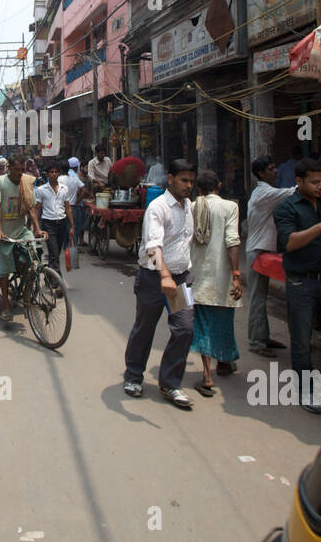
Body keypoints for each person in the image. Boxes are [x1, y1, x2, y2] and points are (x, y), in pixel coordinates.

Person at [273, 158, 321, 414]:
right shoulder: (286, 208)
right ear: (299, 181)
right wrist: (320, 228)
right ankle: (306, 391)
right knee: (302, 339)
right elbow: (289, 243)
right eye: (315, 182)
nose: (320, 186)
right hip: (301, 281)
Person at [122, 158, 198, 410]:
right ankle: (133, 376)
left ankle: (170, 383)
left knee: (185, 328)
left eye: (191, 181)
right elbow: (154, 246)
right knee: (145, 328)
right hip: (154, 279)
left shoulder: (189, 206)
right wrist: (164, 275)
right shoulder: (158, 207)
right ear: (170, 179)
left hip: (180, 278)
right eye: (184, 180)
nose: (188, 185)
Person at [189, 171, 244, 397]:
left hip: (198, 272)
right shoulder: (230, 207)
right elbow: (233, 241)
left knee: (202, 323)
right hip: (222, 275)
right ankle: (220, 364)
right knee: (223, 319)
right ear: (218, 186)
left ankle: (209, 373)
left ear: (198, 189)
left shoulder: (192, 207)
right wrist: (236, 274)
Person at [244, 156, 296, 359]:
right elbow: (293, 192)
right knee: (257, 297)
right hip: (257, 250)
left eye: (275, 167)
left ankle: (262, 336)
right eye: (271, 168)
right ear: (261, 174)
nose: (276, 171)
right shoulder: (265, 193)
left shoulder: (264, 192)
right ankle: (256, 341)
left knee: (261, 296)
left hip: (262, 249)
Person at [0, 154, 42, 324]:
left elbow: (31, 208)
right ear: (9, 168)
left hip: (21, 230)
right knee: (3, 272)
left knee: (34, 255)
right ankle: (6, 307)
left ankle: (27, 291)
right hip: (3, 233)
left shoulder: (26, 182)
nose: (20, 173)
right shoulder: (0, 182)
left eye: (22, 170)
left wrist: (37, 228)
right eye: (17, 169)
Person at [33, 160, 75, 273]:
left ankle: (50, 276)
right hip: (48, 224)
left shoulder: (64, 189)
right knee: (54, 253)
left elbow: (68, 208)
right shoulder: (41, 190)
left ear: (59, 173)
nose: (54, 174)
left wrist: (72, 226)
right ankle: (57, 283)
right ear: (47, 174)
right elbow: (37, 209)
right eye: (51, 172)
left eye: (56, 172)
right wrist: (36, 228)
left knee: (56, 253)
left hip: (62, 223)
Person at [64, 156, 88, 247]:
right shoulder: (75, 176)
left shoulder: (64, 176)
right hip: (74, 206)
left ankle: (66, 245)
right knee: (74, 227)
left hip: (64, 206)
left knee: (67, 226)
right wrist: (78, 201)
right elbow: (83, 191)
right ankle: (73, 247)